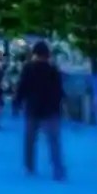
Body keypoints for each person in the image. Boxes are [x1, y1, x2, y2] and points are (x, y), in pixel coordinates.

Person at [14, 41, 66, 180]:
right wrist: (59, 106)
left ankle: (29, 166)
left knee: (30, 140)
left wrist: (17, 102)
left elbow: (22, 87)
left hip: (33, 108)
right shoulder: (53, 70)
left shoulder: (28, 68)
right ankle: (58, 169)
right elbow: (59, 91)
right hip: (51, 110)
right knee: (53, 141)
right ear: (47, 55)